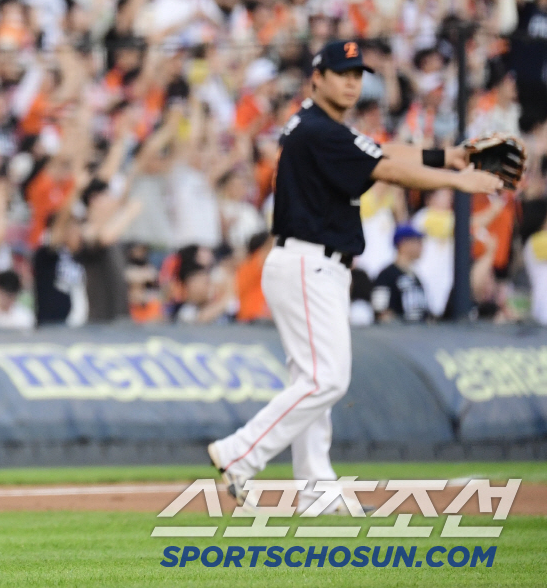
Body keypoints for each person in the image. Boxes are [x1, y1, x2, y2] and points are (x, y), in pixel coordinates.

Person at [208, 41, 504, 515]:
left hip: (312, 264)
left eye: (357, 73)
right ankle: (240, 453)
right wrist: (457, 180)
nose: (352, 81)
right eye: (342, 72)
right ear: (317, 77)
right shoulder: (319, 130)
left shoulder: (322, 128)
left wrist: (443, 155)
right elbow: (385, 167)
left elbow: (380, 150)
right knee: (327, 381)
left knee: (312, 382)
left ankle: (316, 491)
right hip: (308, 262)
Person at [371, 224, 431, 322]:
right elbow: (381, 312)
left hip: (420, 334)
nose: (422, 246)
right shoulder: (386, 275)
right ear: (403, 244)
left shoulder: (415, 276)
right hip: (399, 334)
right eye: (417, 242)